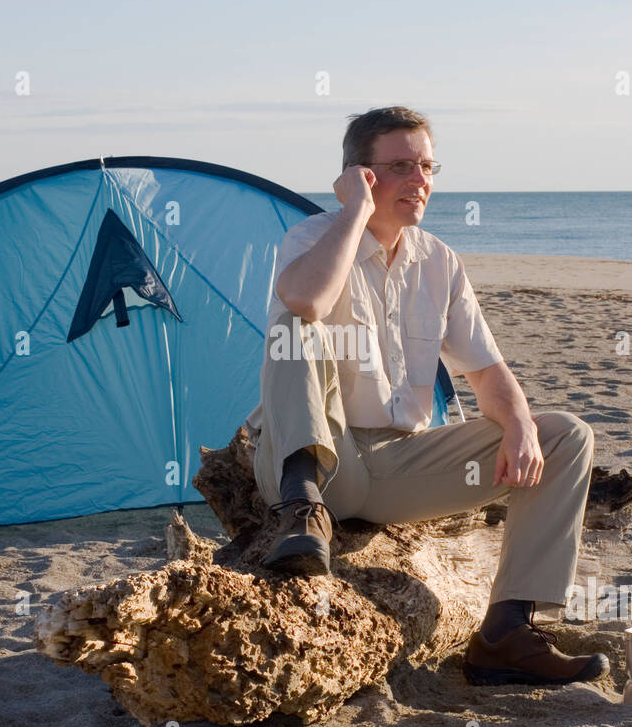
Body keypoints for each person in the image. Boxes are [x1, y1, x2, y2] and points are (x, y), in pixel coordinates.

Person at [242, 106, 608, 686]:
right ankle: (302, 511)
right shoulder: (311, 239)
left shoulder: (439, 261)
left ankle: (506, 633)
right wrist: (356, 212)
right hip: (314, 457)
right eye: (401, 167)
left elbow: (487, 371)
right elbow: (307, 300)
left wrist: (517, 426)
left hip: (395, 465)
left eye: (428, 166)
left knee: (564, 435)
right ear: (361, 176)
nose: (420, 181)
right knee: (294, 327)